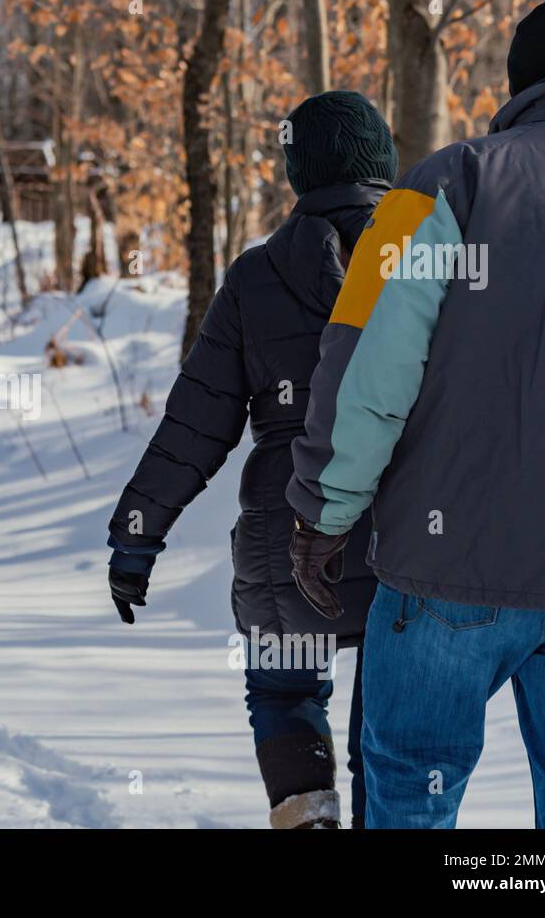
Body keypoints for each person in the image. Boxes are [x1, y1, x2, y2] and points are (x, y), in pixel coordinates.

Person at [286, 0, 545, 829]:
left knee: (409, 794)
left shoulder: (441, 180)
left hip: (448, 571)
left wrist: (325, 512)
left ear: (519, 81)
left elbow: (369, 356)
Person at [106, 91, 397, 828]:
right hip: (407, 531)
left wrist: (136, 534)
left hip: (287, 531)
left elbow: (194, 425)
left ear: (297, 170)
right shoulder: (430, 263)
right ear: (384, 160)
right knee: (394, 715)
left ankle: (306, 816)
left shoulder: (256, 276)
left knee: (283, 690)